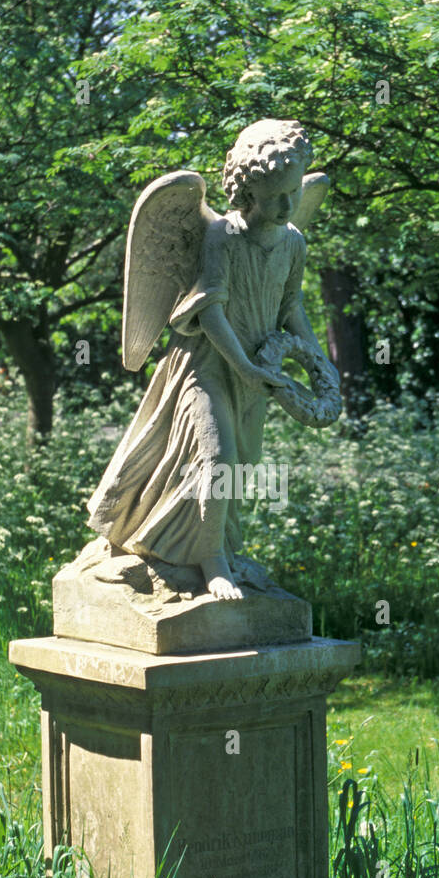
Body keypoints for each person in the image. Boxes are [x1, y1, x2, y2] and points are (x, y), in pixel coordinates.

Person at [86, 119, 326, 600]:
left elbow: (291, 307)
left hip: (257, 368)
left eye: (292, 193)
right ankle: (212, 561)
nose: (285, 205)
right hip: (207, 364)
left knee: (244, 466)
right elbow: (210, 309)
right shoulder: (221, 236)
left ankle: (217, 547)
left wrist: (318, 358)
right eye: (274, 195)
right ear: (246, 190)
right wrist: (242, 366)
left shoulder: (293, 241)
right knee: (219, 457)